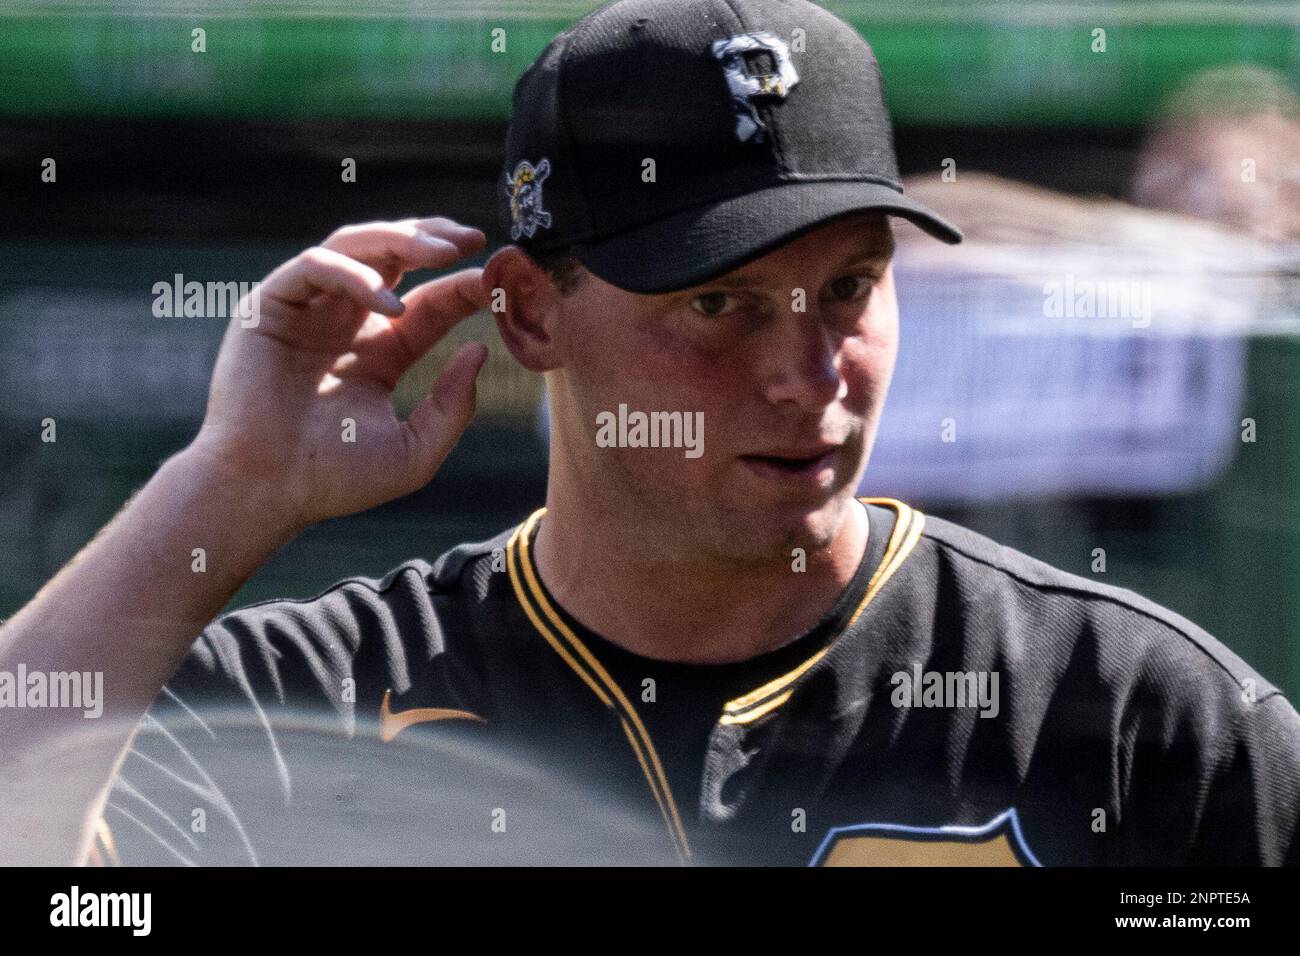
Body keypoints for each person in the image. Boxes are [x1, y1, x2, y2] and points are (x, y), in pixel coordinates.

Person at [2, 0, 1298, 867]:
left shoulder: (1134, 714)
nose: (805, 373)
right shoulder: (310, 707)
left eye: (848, 289)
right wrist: (227, 486)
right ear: (525, 316)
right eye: (720, 302)